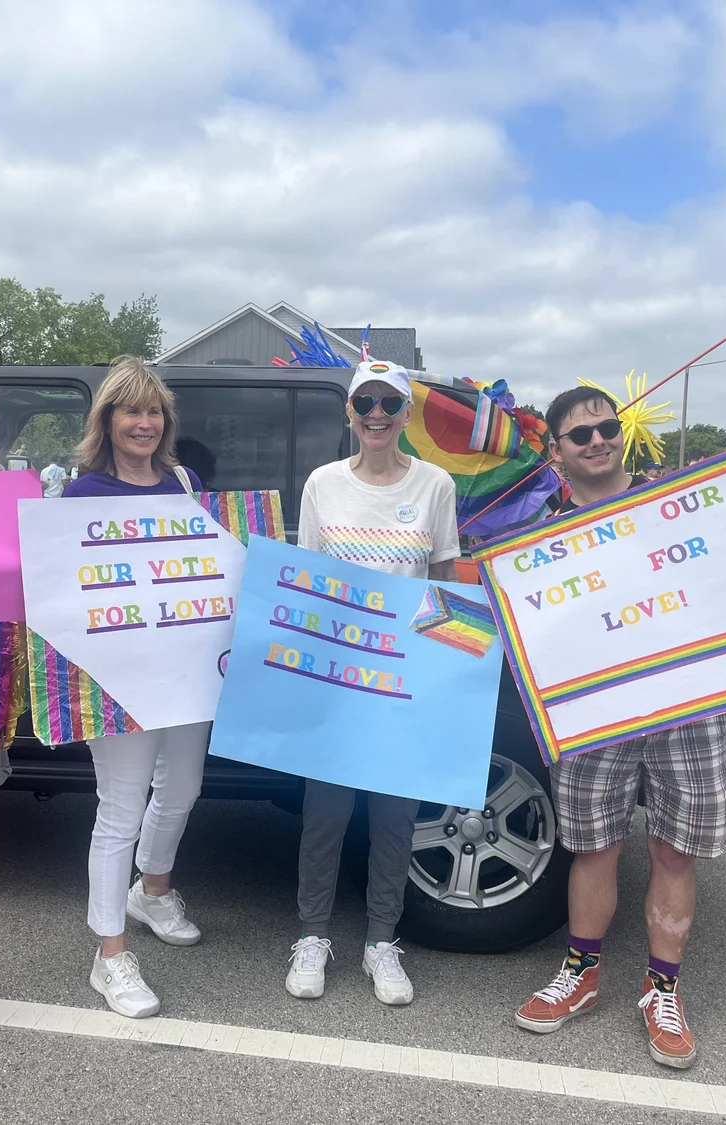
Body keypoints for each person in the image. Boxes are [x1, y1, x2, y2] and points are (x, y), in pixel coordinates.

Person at [514, 385, 726, 1070]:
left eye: (607, 427)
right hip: (594, 712)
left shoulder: (673, 504)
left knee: (674, 850)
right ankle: (581, 975)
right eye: (580, 435)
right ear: (557, 451)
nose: (598, 441)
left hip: (688, 703)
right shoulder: (541, 538)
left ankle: (662, 990)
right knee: (594, 846)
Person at [285, 360, 458, 1008]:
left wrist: (444, 672)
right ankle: (312, 935)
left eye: (389, 402)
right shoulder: (322, 483)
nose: (377, 413)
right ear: (349, 413)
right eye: (365, 403)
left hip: (403, 680)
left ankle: (381, 940)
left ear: (407, 412)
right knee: (324, 816)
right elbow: (306, 579)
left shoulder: (435, 484)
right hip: (337, 678)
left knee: (394, 817)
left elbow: (444, 580)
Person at [62, 355, 209, 1020]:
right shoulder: (81, 495)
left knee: (183, 789)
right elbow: (66, 588)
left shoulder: (184, 482)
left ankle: (151, 891)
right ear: (108, 420)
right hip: (118, 676)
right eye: (131, 411)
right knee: (120, 808)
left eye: (154, 411)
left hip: (186, 668)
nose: (144, 422)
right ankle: (110, 954)